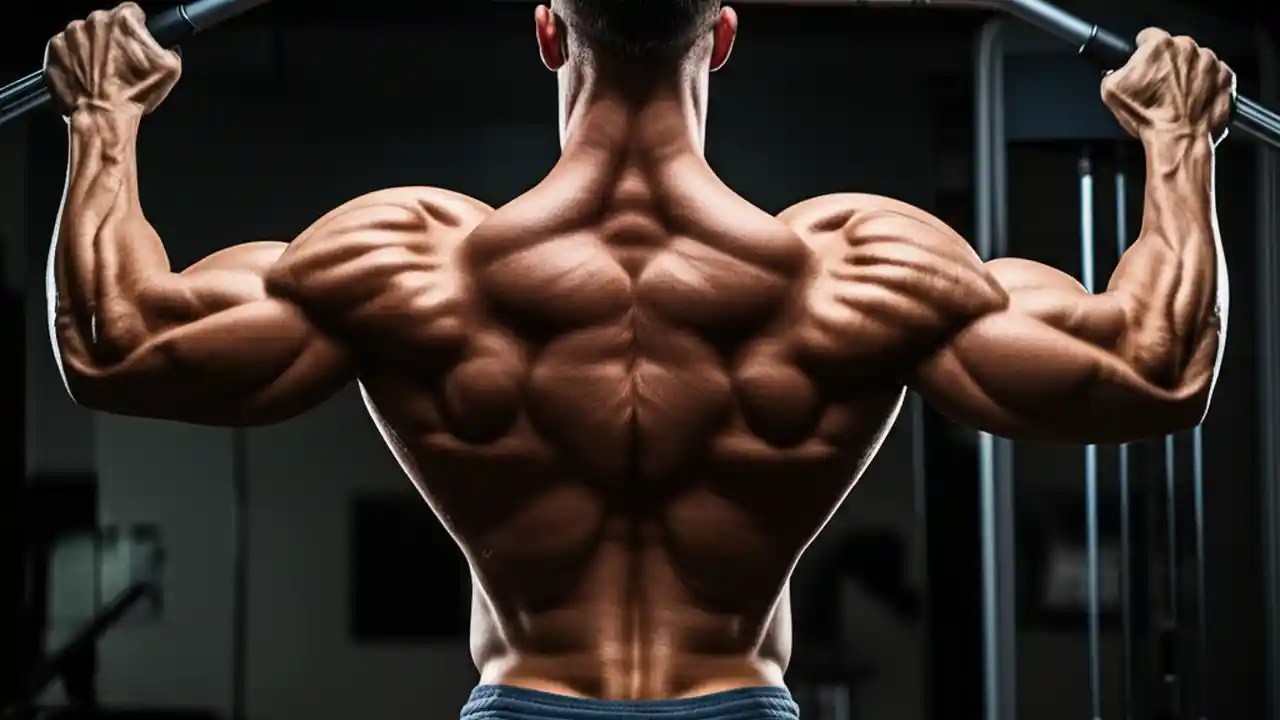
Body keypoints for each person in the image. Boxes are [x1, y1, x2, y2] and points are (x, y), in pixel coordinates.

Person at [42, 1, 1235, 718]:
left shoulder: (416, 261)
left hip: (526, 702)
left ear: (547, 29)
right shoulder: (852, 269)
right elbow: (1155, 365)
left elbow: (117, 339)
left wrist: (104, 119)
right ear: (721, 36)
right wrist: (1176, 145)